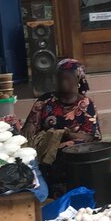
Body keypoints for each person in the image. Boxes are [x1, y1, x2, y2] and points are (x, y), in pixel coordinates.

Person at [22, 59, 101, 188]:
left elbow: (90, 137)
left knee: (73, 149)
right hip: (46, 148)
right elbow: (29, 130)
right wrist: (29, 128)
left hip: (75, 154)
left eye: (68, 77)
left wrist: (66, 134)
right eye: (60, 78)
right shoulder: (45, 101)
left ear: (78, 79)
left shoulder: (86, 104)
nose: (63, 81)